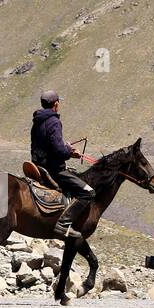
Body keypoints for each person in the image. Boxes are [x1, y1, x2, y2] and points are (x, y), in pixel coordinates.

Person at [30, 90, 95, 239]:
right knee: (88, 192)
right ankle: (63, 224)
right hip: (53, 169)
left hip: (38, 165)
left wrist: (64, 147)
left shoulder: (38, 120)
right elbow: (58, 150)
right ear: (56, 104)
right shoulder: (54, 121)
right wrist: (71, 153)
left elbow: (46, 144)